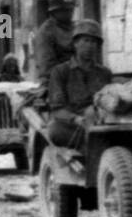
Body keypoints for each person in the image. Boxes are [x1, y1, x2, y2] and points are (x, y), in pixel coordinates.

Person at [46, 20, 112, 149]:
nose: (90, 46)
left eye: (94, 42)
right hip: (74, 125)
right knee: (55, 131)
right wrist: (76, 119)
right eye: (85, 41)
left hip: (101, 123)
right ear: (75, 43)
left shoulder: (104, 73)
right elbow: (57, 110)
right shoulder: (61, 72)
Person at [33, 0, 77, 84]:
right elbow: (46, 67)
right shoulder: (45, 32)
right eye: (64, 10)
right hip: (54, 83)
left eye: (71, 10)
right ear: (54, 11)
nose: (69, 13)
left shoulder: (77, 28)